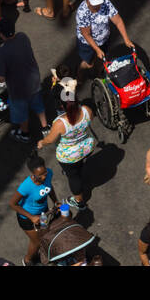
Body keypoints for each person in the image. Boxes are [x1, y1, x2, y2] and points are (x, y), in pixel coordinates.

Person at [39, 75, 97, 211]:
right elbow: (89, 121)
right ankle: (78, 169)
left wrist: (41, 142)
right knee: (78, 166)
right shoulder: (87, 110)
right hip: (87, 147)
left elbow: (50, 139)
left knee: (73, 177)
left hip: (69, 156)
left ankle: (79, 201)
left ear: (61, 105)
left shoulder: (60, 123)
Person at [75, 0, 134, 77]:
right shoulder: (82, 12)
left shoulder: (106, 4)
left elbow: (118, 21)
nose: (98, 6)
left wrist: (126, 39)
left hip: (104, 38)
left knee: (102, 59)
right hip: (87, 43)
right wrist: (97, 49)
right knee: (89, 63)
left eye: (99, 2)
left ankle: (98, 74)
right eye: (95, 4)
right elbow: (86, 34)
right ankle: (79, 75)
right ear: (87, 1)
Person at [11, 154, 57, 266]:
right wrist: (31, 217)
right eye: (40, 176)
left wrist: (56, 201)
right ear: (33, 174)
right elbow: (12, 204)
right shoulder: (26, 186)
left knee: (45, 234)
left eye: (44, 173)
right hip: (27, 218)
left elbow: (49, 187)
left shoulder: (49, 173)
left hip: (43, 213)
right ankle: (27, 260)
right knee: (36, 242)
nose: (44, 177)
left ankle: (42, 252)